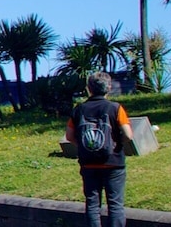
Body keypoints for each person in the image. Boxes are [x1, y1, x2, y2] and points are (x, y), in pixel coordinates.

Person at [68, 72, 134, 227]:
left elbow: (69, 136)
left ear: (88, 88)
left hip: (88, 164)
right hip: (113, 162)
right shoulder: (115, 108)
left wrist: (87, 147)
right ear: (108, 88)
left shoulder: (79, 110)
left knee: (92, 204)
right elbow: (128, 135)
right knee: (115, 205)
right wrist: (117, 144)